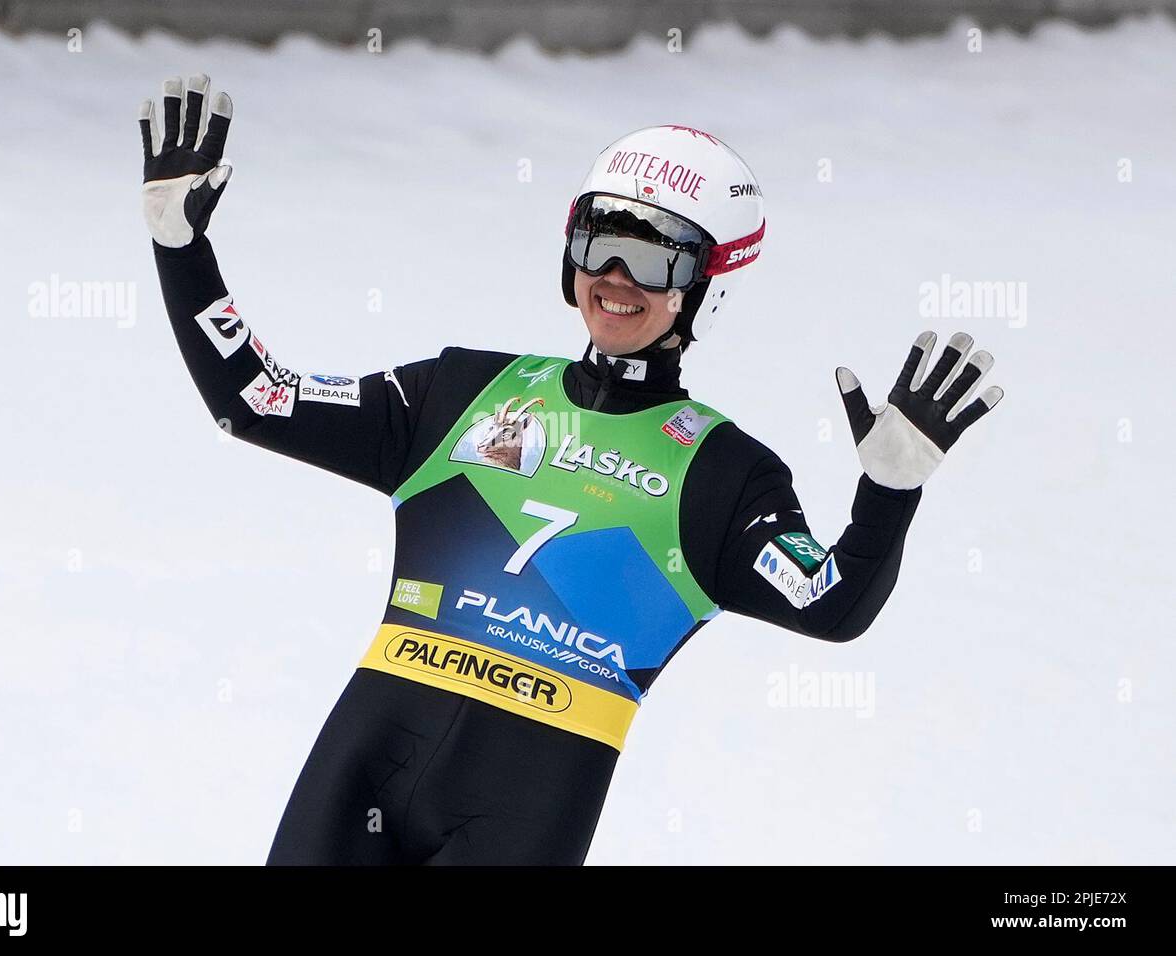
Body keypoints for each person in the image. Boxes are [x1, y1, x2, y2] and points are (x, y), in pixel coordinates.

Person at [138, 74, 1003, 865]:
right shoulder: (463, 391)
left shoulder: (724, 475)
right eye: (599, 242)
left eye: (657, 258)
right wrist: (180, 248)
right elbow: (255, 398)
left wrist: (888, 492)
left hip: (518, 817)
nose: (616, 277)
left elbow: (835, 604)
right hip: (358, 771)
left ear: (709, 286)